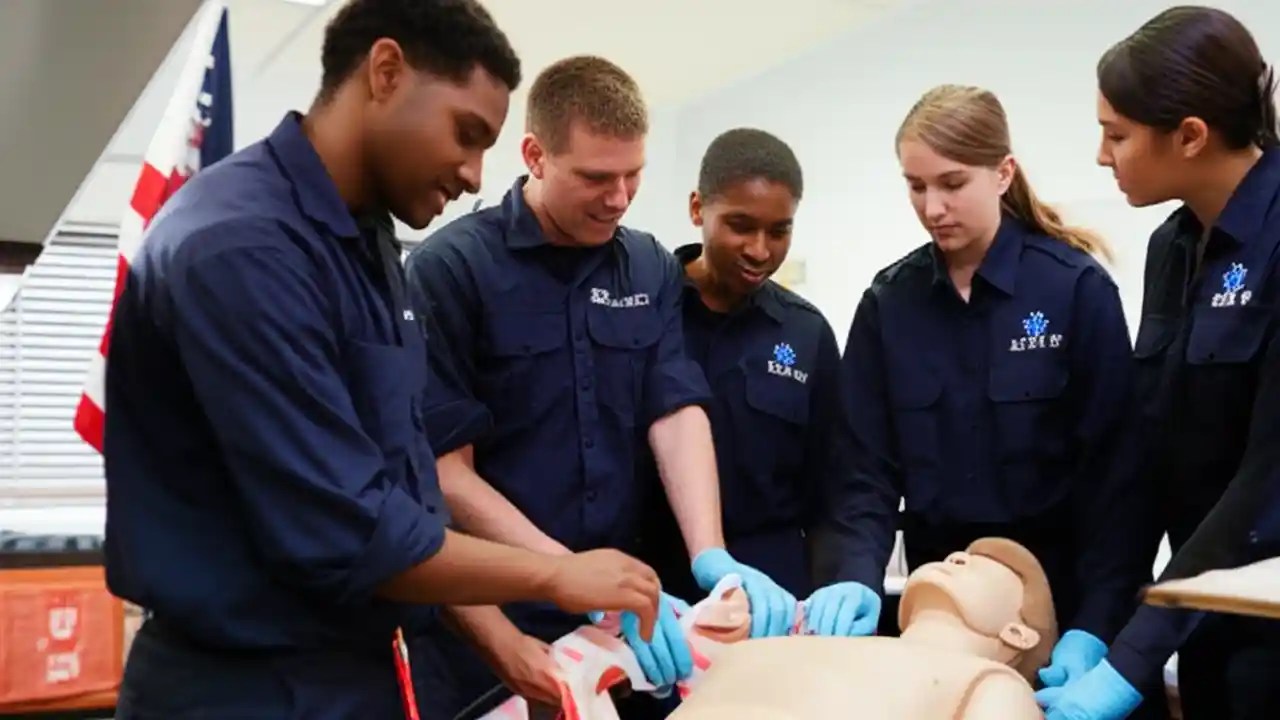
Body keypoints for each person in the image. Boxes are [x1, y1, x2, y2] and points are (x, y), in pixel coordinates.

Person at [101, 3, 663, 718]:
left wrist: (505, 647)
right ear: (386, 72)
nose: (472, 174)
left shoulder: (369, 247)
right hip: (242, 687)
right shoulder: (242, 247)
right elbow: (354, 533)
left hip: (355, 671)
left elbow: (407, 498)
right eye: (466, 135)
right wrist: (556, 576)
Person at [403, 56, 795, 719]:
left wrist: (710, 552)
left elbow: (673, 408)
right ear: (535, 155)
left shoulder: (646, 262)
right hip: (492, 620)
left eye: (633, 176)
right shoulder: (451, 269)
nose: (618, 197)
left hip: (621, 618)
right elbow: (445, 472)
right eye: (595, 178)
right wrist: (564, 573)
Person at [824, 84, 1169, 717]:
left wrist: (1095, 626)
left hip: (1067, 605)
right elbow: (863, 473)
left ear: (1002, 173)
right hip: (948, 618)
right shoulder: (889, 305)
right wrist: (853, 574)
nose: (933, 207)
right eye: (916, 186)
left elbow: (1121, 482)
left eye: (952, 184)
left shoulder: (1073, 289)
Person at [1037, 7, 1280, 720]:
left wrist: (1131, 662)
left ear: (1190, 135)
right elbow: (1148, 452)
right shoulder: (1171, 249)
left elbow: (1266, 480)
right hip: (1200, 619)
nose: (1101, 156)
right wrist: (1099, 619)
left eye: (1116, 135)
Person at [639, 128, 874, 628]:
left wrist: (843, 582)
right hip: (656, 590)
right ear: (698, 208)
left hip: (774, 598)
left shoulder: (805, 333)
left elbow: (836, 489)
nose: (760, 250)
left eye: (779, 230)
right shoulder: (645, 312)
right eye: (740, 226)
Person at [667, 538, 1057, 720]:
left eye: (983, 565)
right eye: (956, 554)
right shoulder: (787, 640)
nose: (956, 555)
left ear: (1017, 633)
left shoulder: (990, 682)